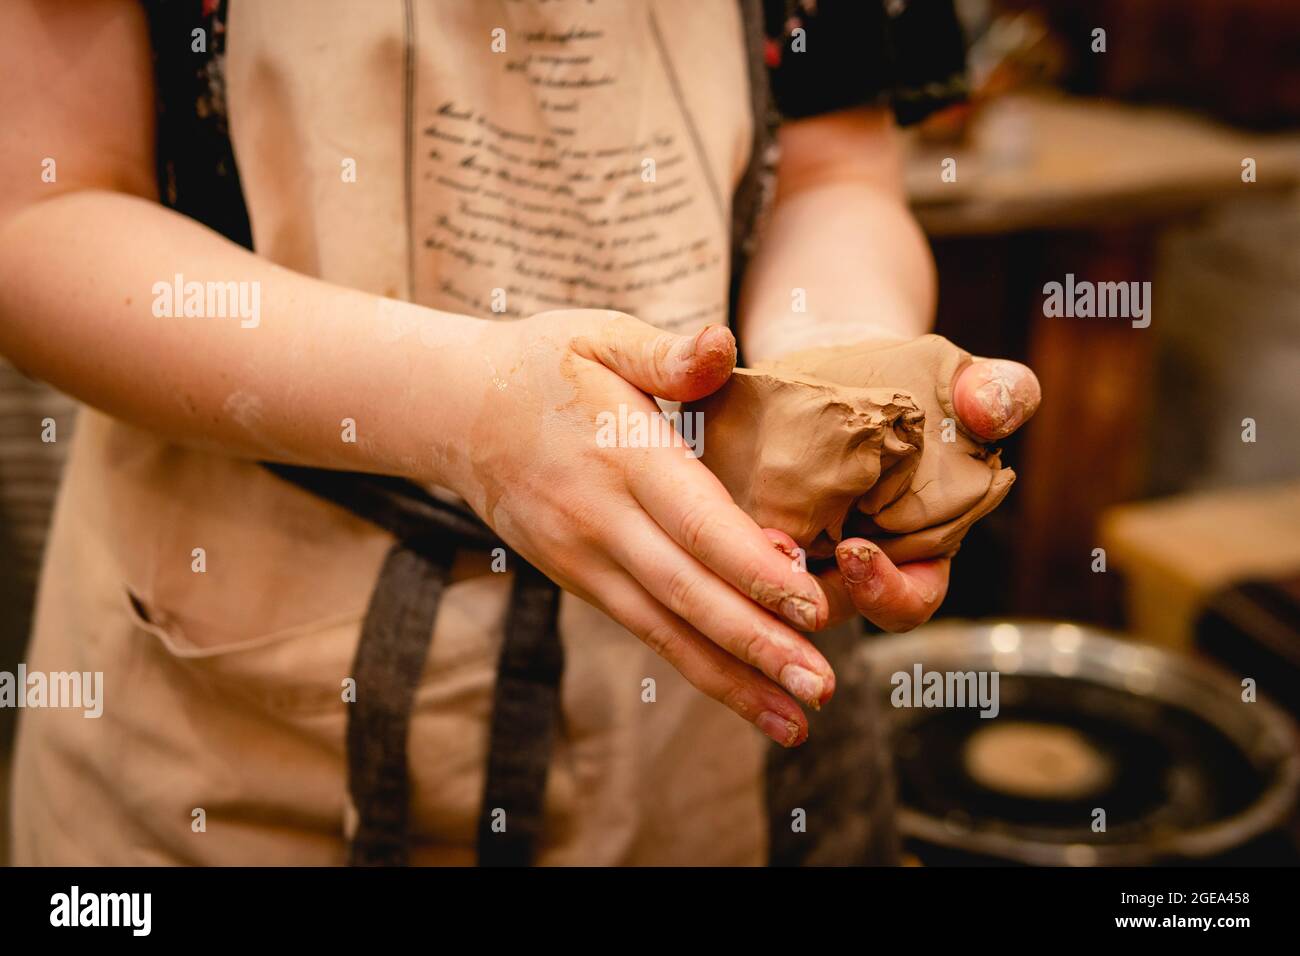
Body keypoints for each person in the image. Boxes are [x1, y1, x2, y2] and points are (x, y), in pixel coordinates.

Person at [0, 0, 1039, 865]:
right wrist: (457, 407)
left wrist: (834, 369)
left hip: (700, 689)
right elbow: (38, 212)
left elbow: (832, 177)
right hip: (236, 710)